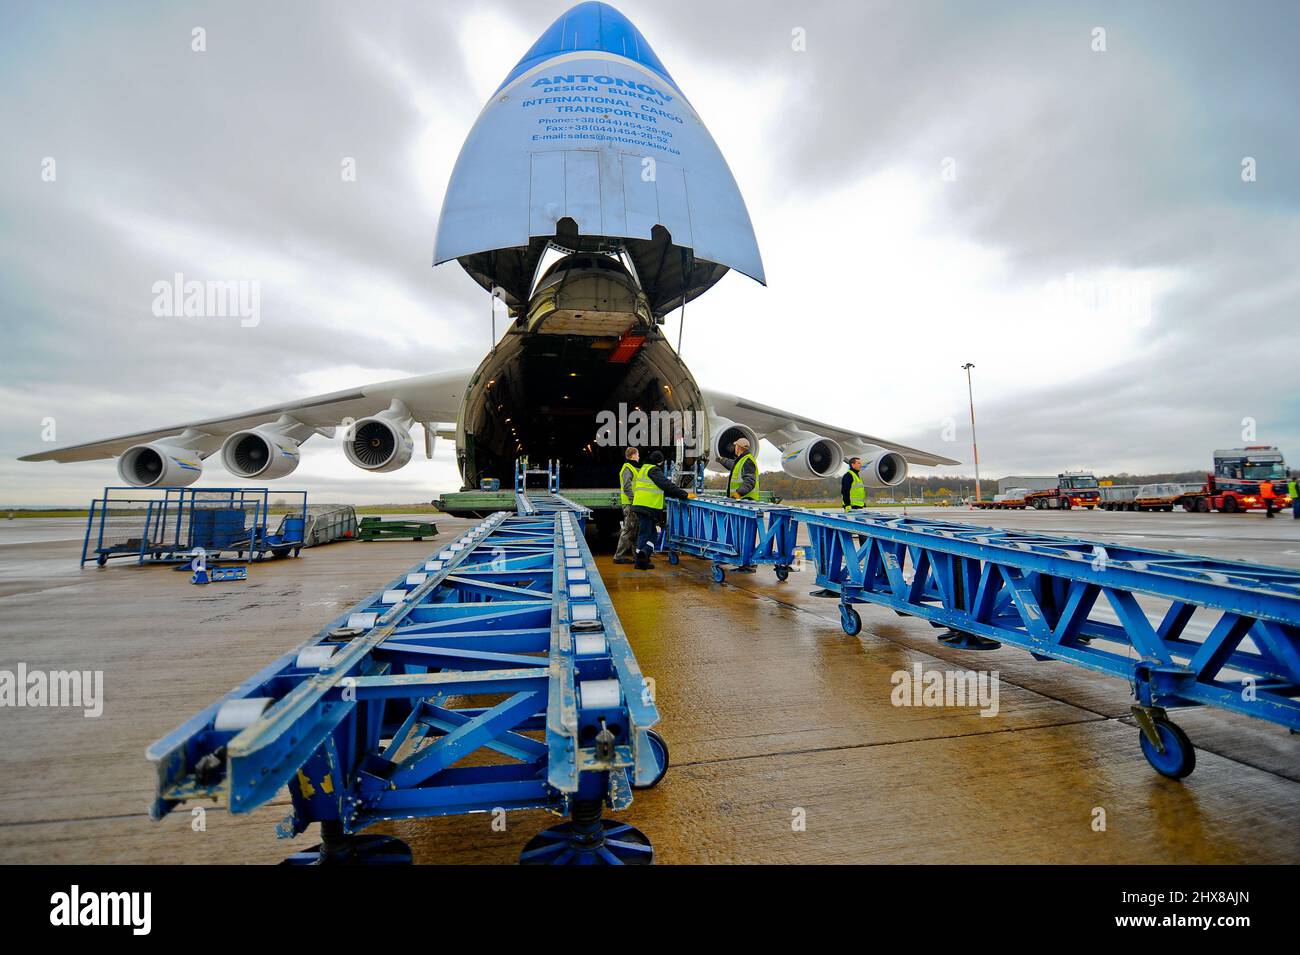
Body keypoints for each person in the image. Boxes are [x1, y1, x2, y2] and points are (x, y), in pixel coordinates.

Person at [632, 450, 692, 570]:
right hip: (648, 506)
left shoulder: (644, 468)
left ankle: (643, 556)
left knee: (651, 533)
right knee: (647, 534)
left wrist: (675, 494)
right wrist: (684, 494)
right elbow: (666, 485)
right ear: (659, 462)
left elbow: (657, 488)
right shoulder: (653, 470)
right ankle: (641, 559)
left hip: (641, 505)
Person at [613, 447, 640, 564]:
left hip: (632, 504)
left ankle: (637, 556)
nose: (639, 457)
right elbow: (627, 487)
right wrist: (635, 500)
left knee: (634, 531)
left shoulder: (633, 468)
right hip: (630, 504)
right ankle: (618, 557)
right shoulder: (627, 469)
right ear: (633, 455)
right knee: (628, 530)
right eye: (637, 454)